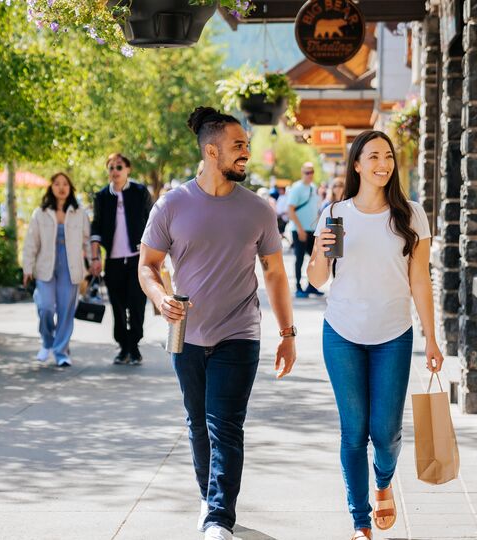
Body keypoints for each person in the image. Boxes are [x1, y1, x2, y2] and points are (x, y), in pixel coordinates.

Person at [138, 106, 297, 540]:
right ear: (212, 150)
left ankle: (218, 518)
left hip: (239, 332)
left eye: (247, 145)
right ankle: (210, 498)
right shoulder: (171, 205)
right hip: (185, 334)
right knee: (196, 421)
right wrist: (160, 297)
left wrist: (287, 334)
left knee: (224, 422)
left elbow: (276, 274)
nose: (247, 152)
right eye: (238, 146)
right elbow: (148, 266)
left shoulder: (259, 210)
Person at [307, 130, 444, 540]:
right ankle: (360, 521)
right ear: (356, 165)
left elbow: (420, 280)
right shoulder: (336, 214)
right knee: (354, 430)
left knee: (385, 432)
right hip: (342, 333)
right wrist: (321, 251)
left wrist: (431, 339)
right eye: (373, 157)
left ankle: (384, 481)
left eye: (387, 156)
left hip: (393, 335)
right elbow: (317, 280)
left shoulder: (411, 215)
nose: (382, 163)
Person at [89, 153, 153, 366]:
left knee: (136, 305)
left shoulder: (139, 192)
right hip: (114, 261)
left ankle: (134, 347)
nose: (115, 171)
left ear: (128, 169)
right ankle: (123, 347)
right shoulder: (102, 196)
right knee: (117, 307)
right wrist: (95, 257)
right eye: (111, 168)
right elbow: (96, 226)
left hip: (137, 259)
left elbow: (152, 223)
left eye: (119, 167)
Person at [23, 172, 91, 367]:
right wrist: (27, 268)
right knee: (45, 307)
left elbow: (87, 241)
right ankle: (47, 342)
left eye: (65, 184)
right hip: (46, 266)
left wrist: (93, 262)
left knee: (65, 310)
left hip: (71, 266)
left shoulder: (79, 213)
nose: (61, 187)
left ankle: (61, 352)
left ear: (70, 188)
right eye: (57, 184)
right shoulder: (40, 213)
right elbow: (30, 243)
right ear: (51, 188)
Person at [288, 161, 323, 298]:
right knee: (300, 258)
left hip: (312, 230)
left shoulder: (313, 188)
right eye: (307, 172)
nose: (310, 175)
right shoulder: (297, 188)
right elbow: (290, 210)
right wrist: (300, 229)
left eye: (312, 172)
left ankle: (311, 286)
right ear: (302, 173)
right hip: (299, 230)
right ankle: (298, 287)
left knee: (315, 259)